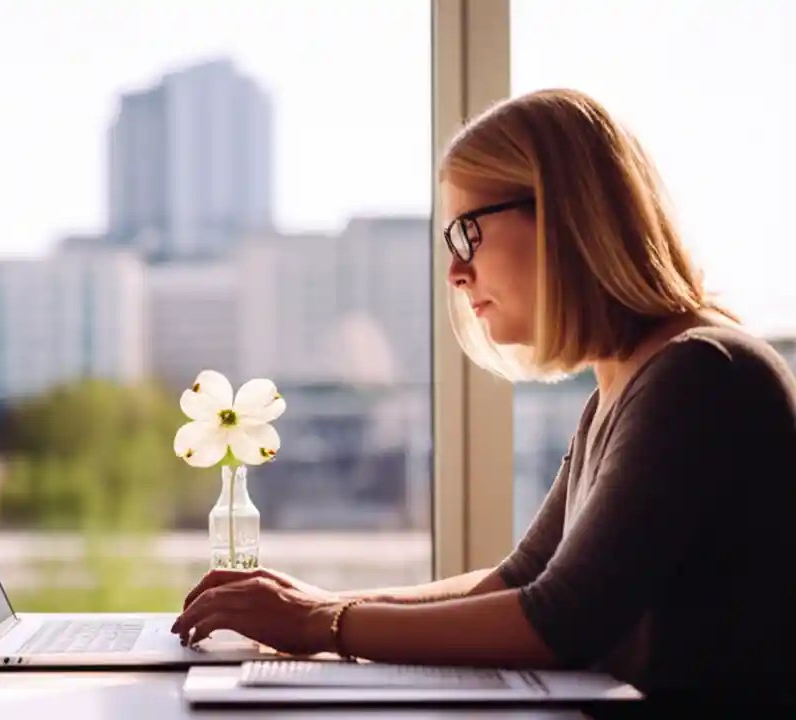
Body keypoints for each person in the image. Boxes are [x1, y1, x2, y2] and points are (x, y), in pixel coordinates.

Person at [171, 88, 796, 698]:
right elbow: (521, 579)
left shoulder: (698, 376)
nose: (454, 271)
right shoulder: (630, 380)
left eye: (468, 234)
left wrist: (320, 624)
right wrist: (321, 605)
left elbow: (558, 620)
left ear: (563, 217)